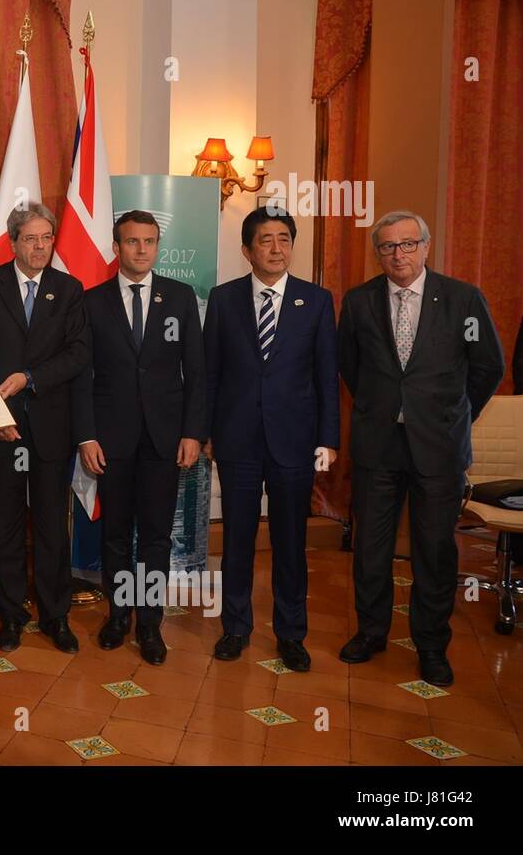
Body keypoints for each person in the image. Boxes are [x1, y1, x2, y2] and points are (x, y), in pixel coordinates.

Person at [337, 210, 504, 686]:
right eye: (388, 247)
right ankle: (371, 633)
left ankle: (431, 645)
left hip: (439, 449)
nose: (398, 255)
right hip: (378, 447)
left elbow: (488, 366)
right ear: (378, 254)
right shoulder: (359, 301)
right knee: (371, 548)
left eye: (408, 244)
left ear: (427, 247)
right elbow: (350, 366)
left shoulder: (462, 299)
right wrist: (381, 405)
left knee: (434, 550)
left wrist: (453, 413)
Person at [202, 206, 339, 671]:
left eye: (284, 238)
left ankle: (290, 633)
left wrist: (328, 439)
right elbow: (210, 375)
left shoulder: (316, 301)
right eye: (266, 240)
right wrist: (204, 433)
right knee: (237, 539)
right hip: (237, 440)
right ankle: (236, 628)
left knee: (289, 542)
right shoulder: (223, 300)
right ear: (247, 250)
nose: (277, 248)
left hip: (295, 443)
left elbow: (326, 378)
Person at [73, 210, 205, 665]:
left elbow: (198, 373)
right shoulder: (91, 302)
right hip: (111, 441)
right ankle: (117, 614)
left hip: (165, 439)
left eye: (150, 241)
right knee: (113, 534)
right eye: (132, 242)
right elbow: (83, 377)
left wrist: (193, 432)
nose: (142, 249)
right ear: (116, 247)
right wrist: (86, 436)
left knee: (154, 537)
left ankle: (149, 624)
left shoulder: (182, 297)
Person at [0, 203, 88, 654]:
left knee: (53, 525)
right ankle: (11, 615)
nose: (40, 247)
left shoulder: (69, 289)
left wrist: (32, 378)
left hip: (52, 427)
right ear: (13, 241)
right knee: (4, 524)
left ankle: (56, 617)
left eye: (47, 238)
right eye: (31, 239)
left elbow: (77, 354)